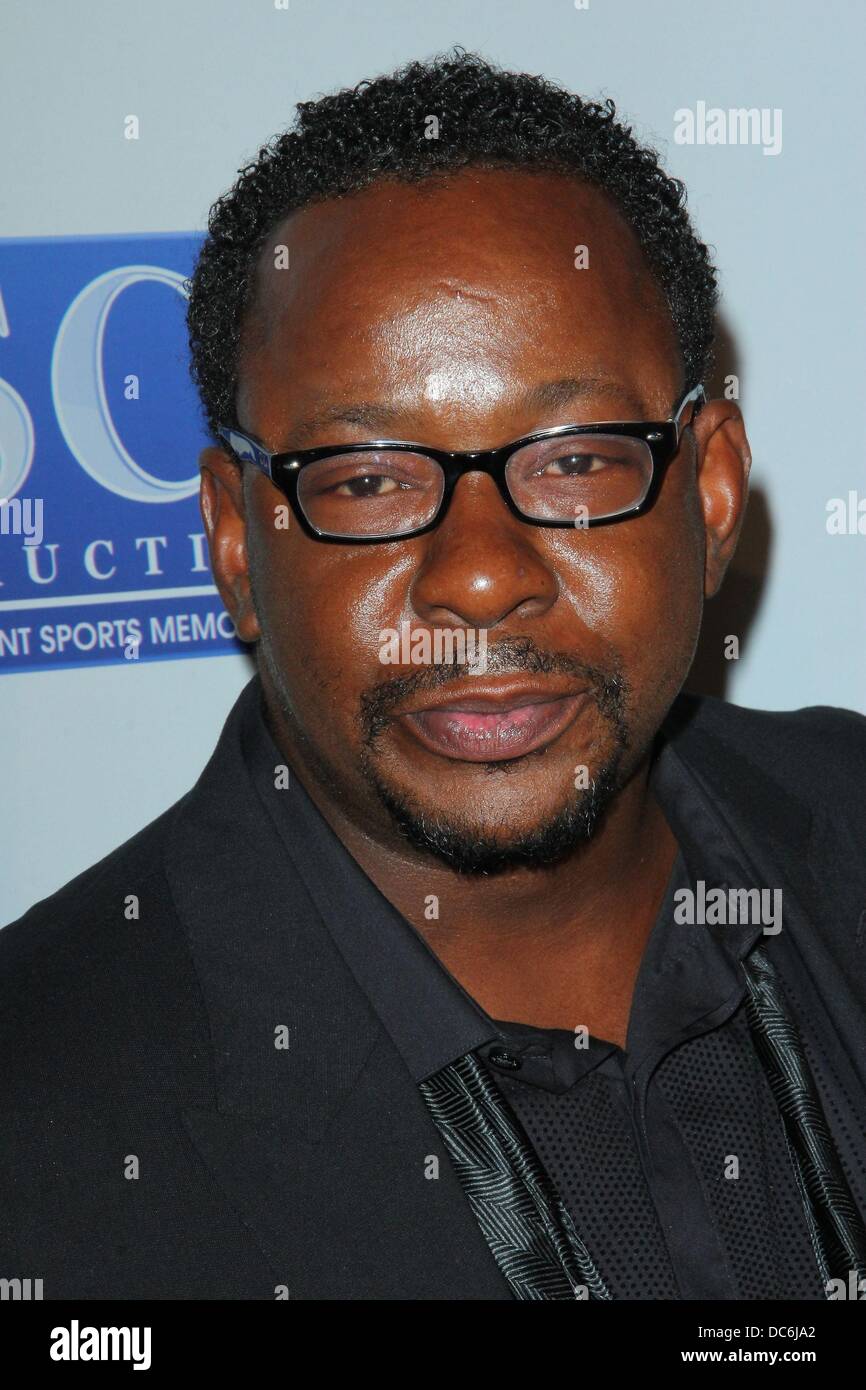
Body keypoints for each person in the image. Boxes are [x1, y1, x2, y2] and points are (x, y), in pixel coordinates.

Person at [2, 50, 865, 1301]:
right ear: (236, 540)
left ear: (710, 490)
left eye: (572, 460)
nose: (476, 577)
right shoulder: (42, 1123)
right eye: (365, 480)